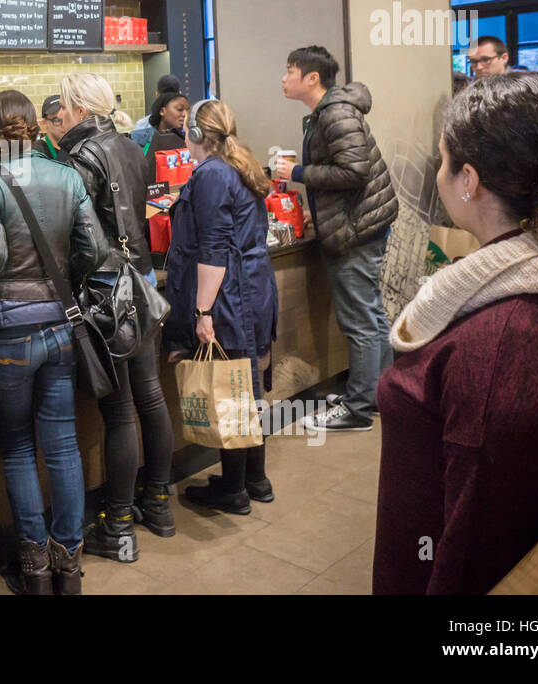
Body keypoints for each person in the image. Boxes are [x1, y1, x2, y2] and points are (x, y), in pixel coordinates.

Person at [374, 73, 538, 594]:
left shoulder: (503, 339)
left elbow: (474, 553)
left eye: (443, 160)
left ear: (469, 178)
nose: (438, 173)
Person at [0, 90, 107, 595]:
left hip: (8, 331)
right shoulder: (67, 174)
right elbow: (94, 249)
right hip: (60, 327)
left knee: (15, 445)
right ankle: (68, 567)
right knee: (62, 444)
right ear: (34, 126)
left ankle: (33, 569)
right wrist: (62, 288)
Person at [57, 71, 175, 559]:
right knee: (151, 396)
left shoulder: (81, 156)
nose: (60, 115)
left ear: (82, 110)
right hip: (143, 281)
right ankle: (160, 503)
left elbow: (80, 237)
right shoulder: (130, 146)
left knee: (120, 408)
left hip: (108, 293)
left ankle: (119, 524)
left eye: (64, 106)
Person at [274, 45, 399, 432]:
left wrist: (297, 172)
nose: (284, 76)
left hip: (357, 229)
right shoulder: (329, 112)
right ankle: (379, 393)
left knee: (360, 320)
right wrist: (319, 209)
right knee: (371, 315)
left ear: (312, 78)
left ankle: (358, 408)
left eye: (290, 69)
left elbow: (355, 171)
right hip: (361, 221)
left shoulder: (336, 113)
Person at [165, 99, 279, 515]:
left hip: (230, 295)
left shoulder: (212, 174)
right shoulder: (240, 163)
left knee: (232, 387)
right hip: (252, 287)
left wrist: (202, 312)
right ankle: (255, 479)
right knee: (246, 386)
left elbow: (213, 248)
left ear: (195, 135)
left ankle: (234, 489)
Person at [132, 90, 191, 155]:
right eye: (180, 109)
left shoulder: (189, 138)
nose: (185, 114)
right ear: (162, 111)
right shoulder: (138, 138)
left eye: (188, 110)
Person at [33, 93, 69, 162]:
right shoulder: (36, 152)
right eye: (57, 120)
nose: (64, 125)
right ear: (44, 122)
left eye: (67, 119)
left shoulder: (76, 147)